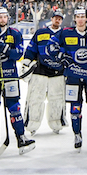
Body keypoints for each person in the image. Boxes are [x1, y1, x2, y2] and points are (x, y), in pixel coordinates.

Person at [51, 7, 87, 153]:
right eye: (78, 16)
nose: (81, 19)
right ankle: (77, 135)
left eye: (83, 16)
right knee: (75, 108)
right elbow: (51, 47)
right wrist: (61, 56)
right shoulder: (66, 32)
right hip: (73, 77)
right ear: (75, 18)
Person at [0, 7, 35, 154]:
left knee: (14, 108)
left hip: (10, 76)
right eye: (0, 17)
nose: (2, 19)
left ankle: (21, 137)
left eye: (5, 17)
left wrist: (3, 49)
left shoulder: (15, 34)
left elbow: (18, 55)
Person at [20, 8, 66, 136]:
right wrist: (26, 62)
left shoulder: (65, 34)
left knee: (57, 99)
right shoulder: (40, 32)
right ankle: (32, 125)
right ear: (51, 19)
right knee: (35, 98)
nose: (57, 20)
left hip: (58, 72)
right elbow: (31, 49)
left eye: (60, 18)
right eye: (55, 17)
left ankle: (56, 123)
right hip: (39, 71)